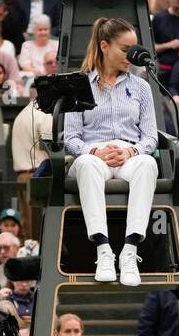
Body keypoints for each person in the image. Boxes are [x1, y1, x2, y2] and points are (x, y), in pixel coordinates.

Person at [63, 17, 157, 288]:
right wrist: (96, 151)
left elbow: (150, 136)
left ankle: (129, 250)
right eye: (125, 49)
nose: (133, 56)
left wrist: (132, 152)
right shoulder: (79, 85)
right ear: (105, 46)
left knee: (147, 165)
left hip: (129, 154)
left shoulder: (141, 86)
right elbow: (71, 137)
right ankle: (103, 250)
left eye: (134, 48)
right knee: (87, 165)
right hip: (94, 155)